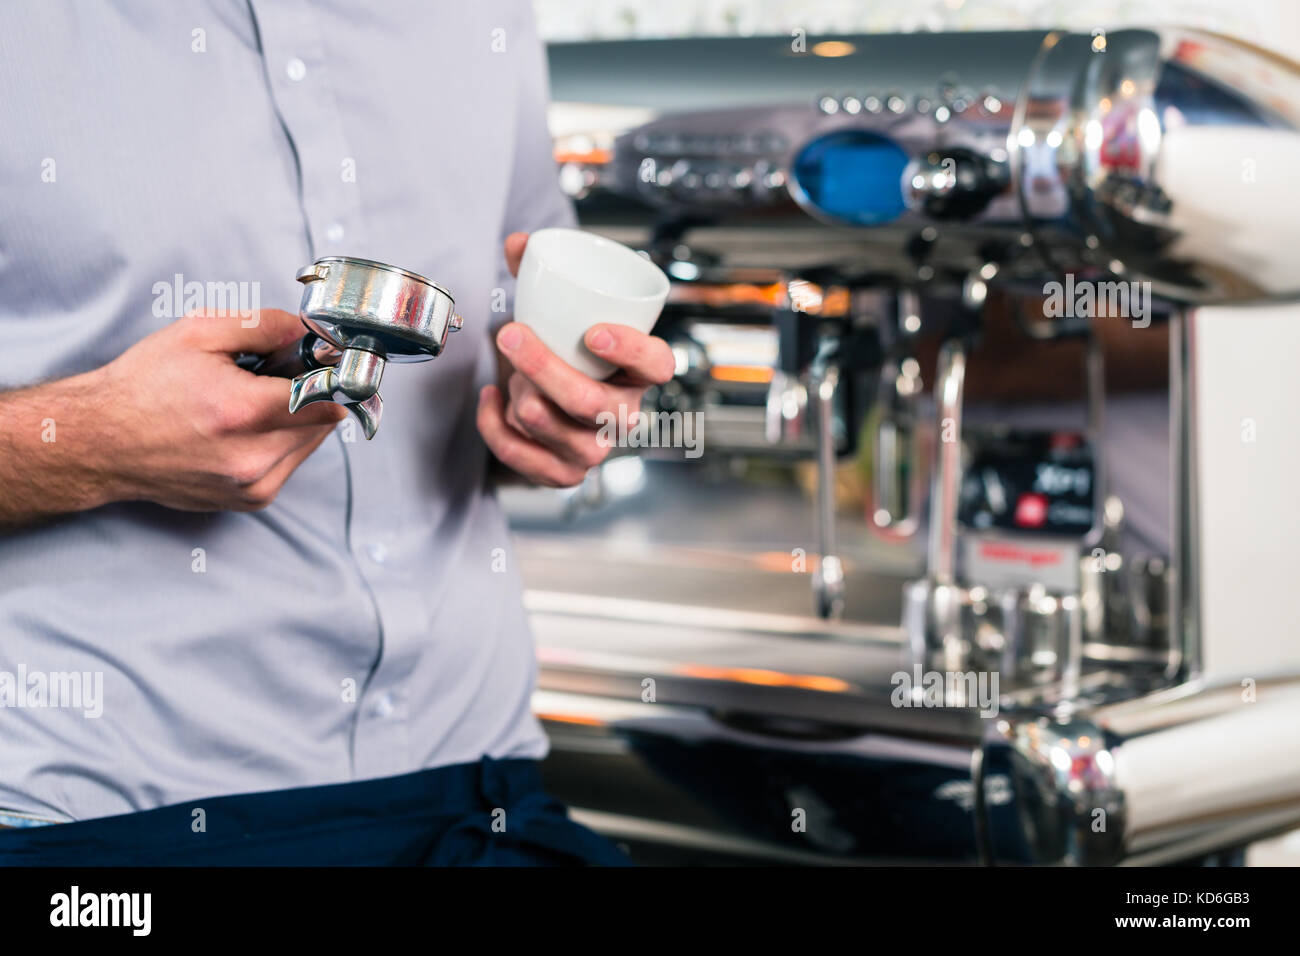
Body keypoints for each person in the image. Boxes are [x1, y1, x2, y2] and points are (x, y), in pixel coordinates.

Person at [0, 1, 671, 864]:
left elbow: (521, 354)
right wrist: (94, 443)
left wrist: (552, 418)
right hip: (110, 820)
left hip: (477, 787)